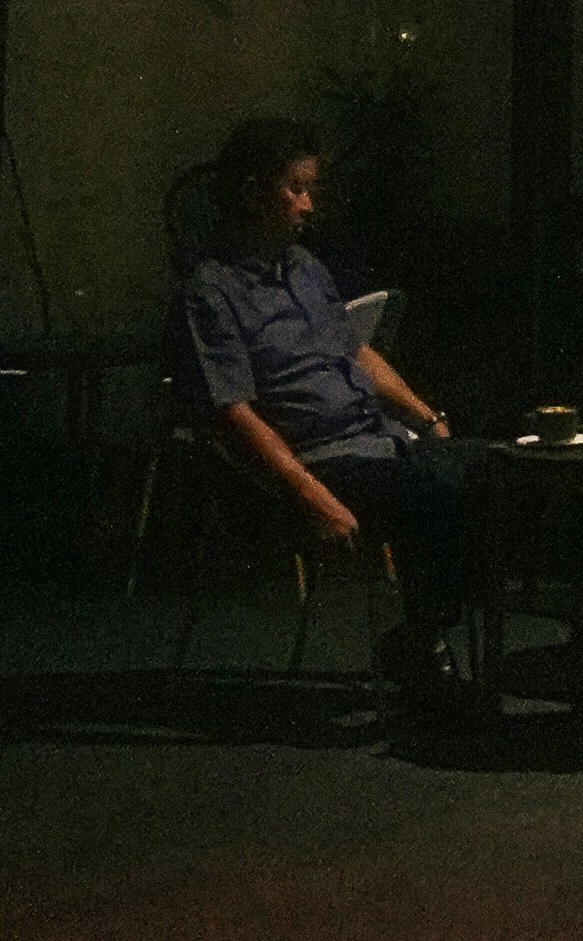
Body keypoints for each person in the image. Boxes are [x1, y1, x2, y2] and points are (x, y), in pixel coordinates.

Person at [174, 114, 486, 701]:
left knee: (491, 467)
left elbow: (357, 351)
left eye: (311, 188)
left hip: (378, 437)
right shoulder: (212, 291)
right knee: (438, 493)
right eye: (296, 188)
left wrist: (429, 418)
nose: (308, 205)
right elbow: (232, 414)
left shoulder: (306, 269)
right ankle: (425, 649)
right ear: (251, 192)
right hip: (319, 458)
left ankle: (425, 640)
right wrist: (315, 499)